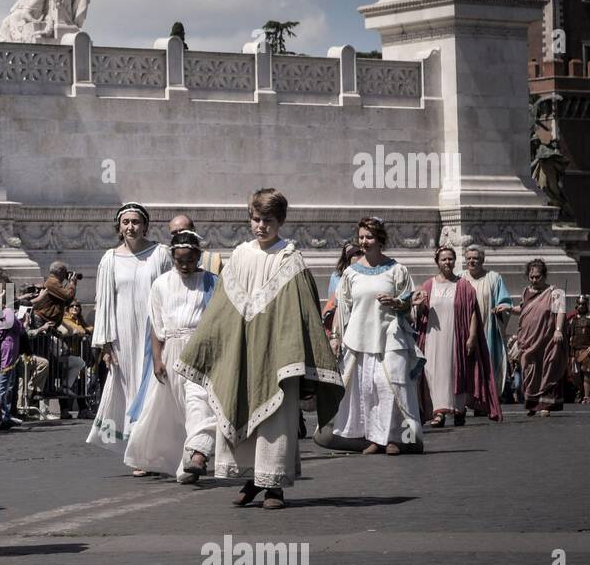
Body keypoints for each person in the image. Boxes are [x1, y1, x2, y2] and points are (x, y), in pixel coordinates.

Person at [176, 189, 343, 509]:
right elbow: (221, 308)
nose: (260, 226)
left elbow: (303, 310)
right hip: (243, 354)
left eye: (268, 220)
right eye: (255, 219)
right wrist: (208, 347)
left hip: (279, 355)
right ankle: (254, 480)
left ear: (280, 221)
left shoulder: (290, 259)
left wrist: (302, 356)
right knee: (242, 411)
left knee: (276, 420)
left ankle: (275, 487)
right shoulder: (240, 255)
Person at [123, 233, 218, 483]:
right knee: (173, 408)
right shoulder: (161, 284)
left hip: (200, 349)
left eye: (189, 260)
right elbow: (156, 324)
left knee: (199, 401)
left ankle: (198, 454)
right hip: (171, 349)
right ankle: (181, 460)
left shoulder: (211, 283)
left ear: (198, 256)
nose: (185, 266)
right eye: (179, 261)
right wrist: (157, 358)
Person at [88, 202, 172, 473]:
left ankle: (149, 451)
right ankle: (138, 451)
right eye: (126, 222)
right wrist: (105, 344)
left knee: (151, 391)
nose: (130, 227)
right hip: (123, 336)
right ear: (119, 226)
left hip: (153, 333)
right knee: (130, 390)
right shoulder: (110, 259)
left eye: (136, 222)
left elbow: (171, 292)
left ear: (145, 225)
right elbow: (103, 302)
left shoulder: (160, 254)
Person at [328, 217, 423, 455]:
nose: (364, 241)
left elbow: (408, 304)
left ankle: (398, 438)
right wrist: (336, 336)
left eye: (368, 237)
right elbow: (343, 306)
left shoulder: (397, 270)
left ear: (380, 239)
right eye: (361, 237)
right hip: (360, 338)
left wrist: (396, 302)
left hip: (390, 336)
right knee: (367, 388)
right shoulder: (351, 273)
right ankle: (375, 438)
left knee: (389, 387)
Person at [413, 246, 501, 427]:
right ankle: (438, 412)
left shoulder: (464, 286)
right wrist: (419, 304)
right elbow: (421, 312)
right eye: (443, 259)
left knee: (455, 372)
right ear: (437, 262)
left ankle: (458, 409)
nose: (447, 262)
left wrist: (472, 336)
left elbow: (473, 313)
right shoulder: (429, 285)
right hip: (433, 338)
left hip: (456, 336)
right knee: (433, 372)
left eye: (450, 259)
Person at [461, 244, 513, 408]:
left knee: (486, 365)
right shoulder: (460, 278)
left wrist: (501, 309)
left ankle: (485, 402)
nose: (472, 261)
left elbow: (504, 301)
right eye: (469, 258)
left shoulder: (494, 278)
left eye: (475, 258)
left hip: (488, 330)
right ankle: (469, 400)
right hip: (465, 330)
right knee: (467, 365)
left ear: (482, 260)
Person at [514, 258, 566, 417]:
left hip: (547, 340)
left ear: (544, 275)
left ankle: (546, 405)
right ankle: (532, 403)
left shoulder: (555, 292)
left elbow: (560, 311)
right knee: (529, 370)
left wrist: (558, 330)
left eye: (538, 277)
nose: (535, 280)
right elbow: (523, 309)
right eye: (532, 277)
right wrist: (508, 308)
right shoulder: (526, 292)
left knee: (547, 371)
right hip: (529, 340)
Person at [0, 269, 24, 429]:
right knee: (3, 385)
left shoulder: (0, 310)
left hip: (8, 350)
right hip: (8, 351)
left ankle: (6, 413)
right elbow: (15, 326)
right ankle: (1, 415)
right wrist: (23, 323)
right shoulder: (7, 310)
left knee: (7, 385)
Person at [32, 261, 79, 326]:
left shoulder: (55, 283)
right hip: (42, 320)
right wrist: (72, 283)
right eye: (65, 272)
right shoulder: (52, 282)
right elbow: (67, 296)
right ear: (60, 271)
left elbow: (67, 301)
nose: (65, 275)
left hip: (47, 321)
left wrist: (73, 284)